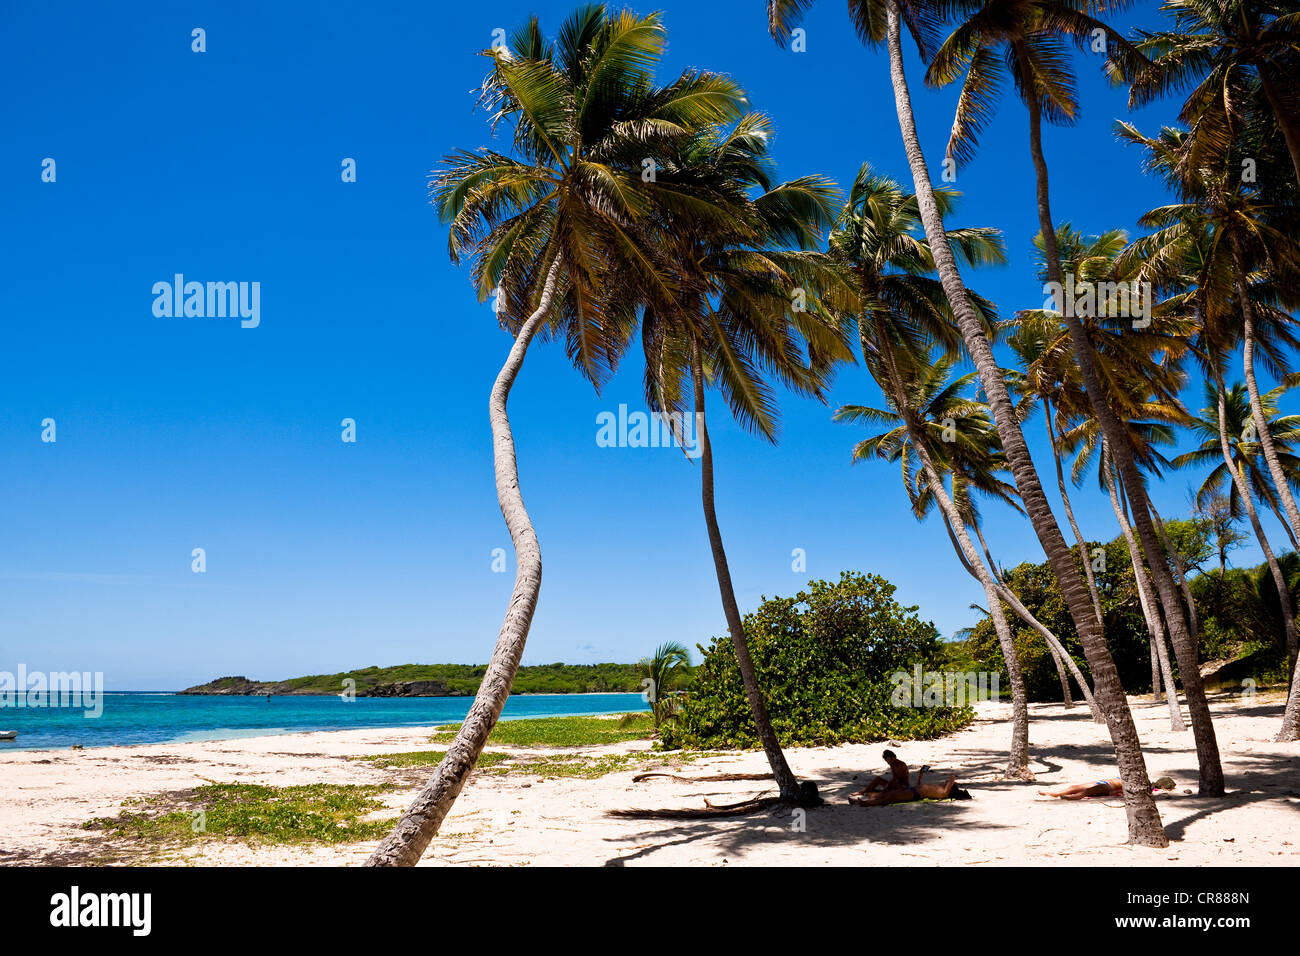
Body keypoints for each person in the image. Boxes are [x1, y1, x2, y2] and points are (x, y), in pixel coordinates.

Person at [849, 755, 968, 806]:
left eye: (946, 784)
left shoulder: (944, 792)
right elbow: (921, 787)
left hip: (914, 793)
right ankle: (862, 801)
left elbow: (951, 781)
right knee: (890, 794)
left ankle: (865, 804)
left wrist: (952, 780)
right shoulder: (939, 788)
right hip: (914, 790)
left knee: (891, 798)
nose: (944, 782)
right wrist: (920, 776)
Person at [1039, 775, 1176, 800]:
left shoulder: (1145, 786)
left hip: (1107, 785)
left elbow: (1123, 790)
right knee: (1075, 786)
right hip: (1103, 782)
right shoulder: (1141, 779)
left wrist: (1114, 792)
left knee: (1084, 791)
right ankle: (1054, 793)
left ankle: (1068, 797)